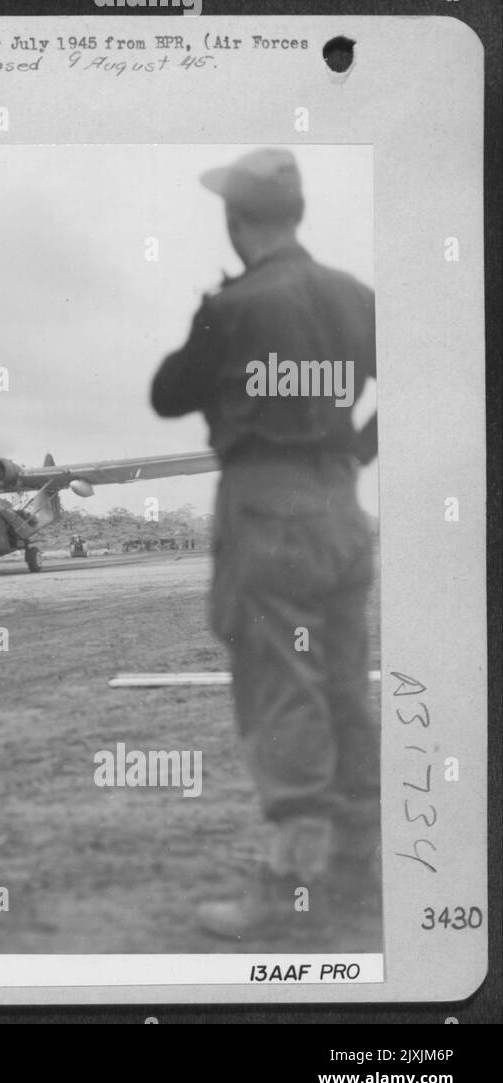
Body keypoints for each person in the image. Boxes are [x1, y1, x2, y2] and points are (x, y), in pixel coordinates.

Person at [150, 149, 379, 940]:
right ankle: (357, 872)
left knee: (282, 687)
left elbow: (166, 393)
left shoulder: (240, 304)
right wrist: (355, 446)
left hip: (267, 507)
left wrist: (212, 313)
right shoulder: (354, 296)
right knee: (345, 684)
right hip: (342, 507)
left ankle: (290, 889)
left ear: (235, 221)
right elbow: (430, 374)